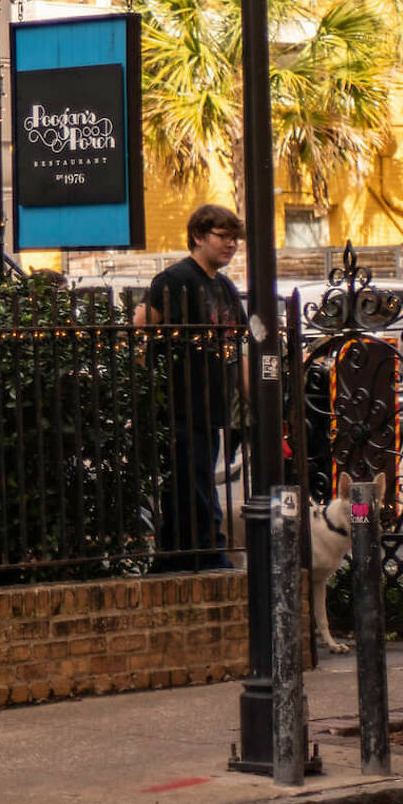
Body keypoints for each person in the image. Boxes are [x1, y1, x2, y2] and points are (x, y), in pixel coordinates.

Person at [134, 203, 247, 568]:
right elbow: (140, 327)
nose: (231, 244)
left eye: (235, 238)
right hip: (180, 404)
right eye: (223, 236)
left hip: (212, 406)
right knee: (190, 484)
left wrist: (251, 401)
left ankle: (175, 560)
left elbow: (238, 345)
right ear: (198, 236)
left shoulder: (225, 287)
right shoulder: (175, 280)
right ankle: (208, 554)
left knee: (194, 482)